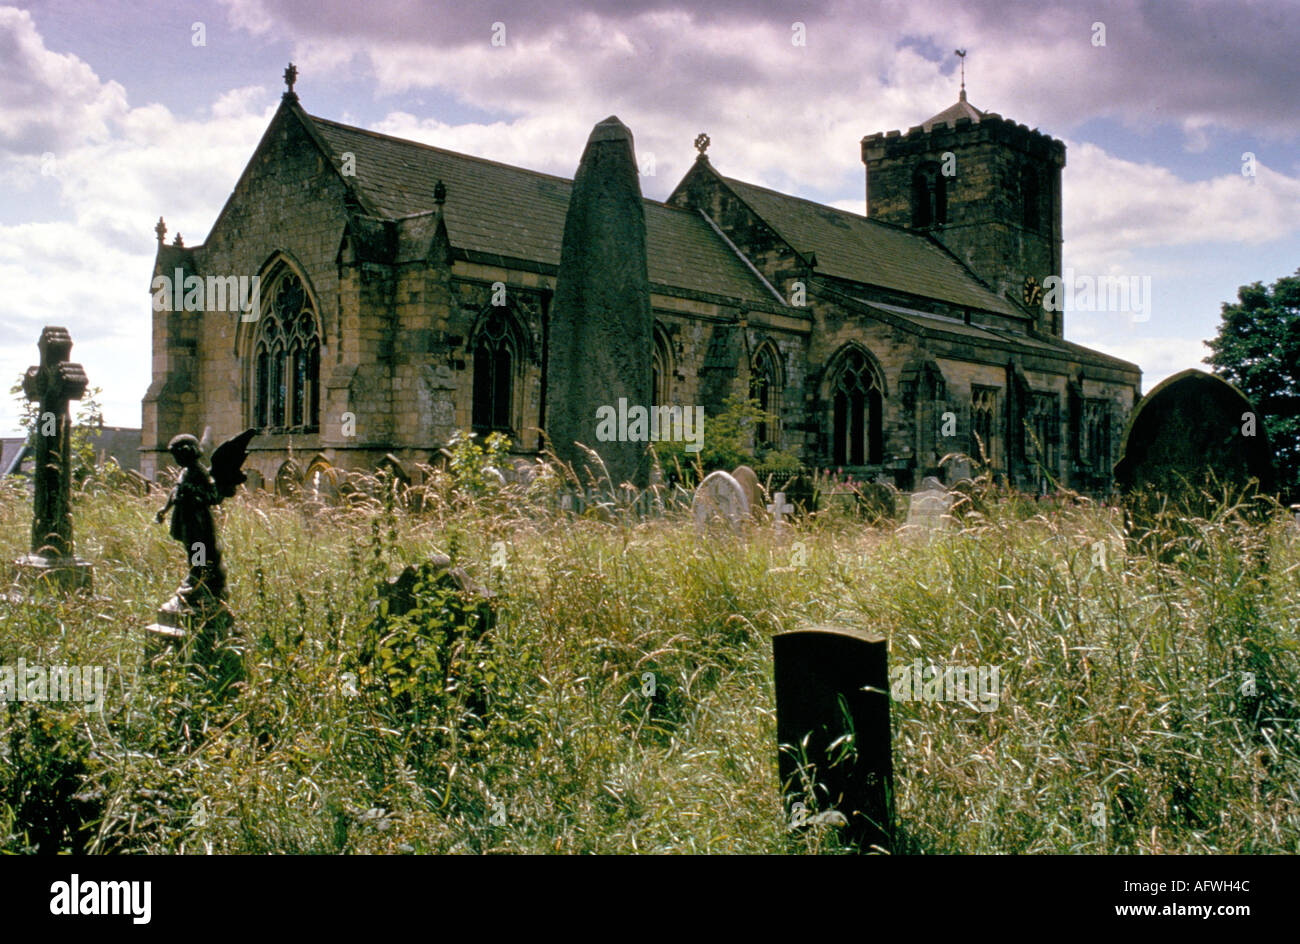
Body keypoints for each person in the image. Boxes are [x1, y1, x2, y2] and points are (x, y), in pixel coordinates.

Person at [155, 434, 226, 605]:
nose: (177, 460)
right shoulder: (185, 471)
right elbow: (175, 491)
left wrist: (194, 494)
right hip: (185, 517)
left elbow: (213, 495)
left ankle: (200, 578)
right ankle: (194, 574)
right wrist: (165, 509)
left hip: (198, 520)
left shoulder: (199, 471)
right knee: (190, 547)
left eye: (179, 456)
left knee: (198, 546)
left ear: (189, 453)